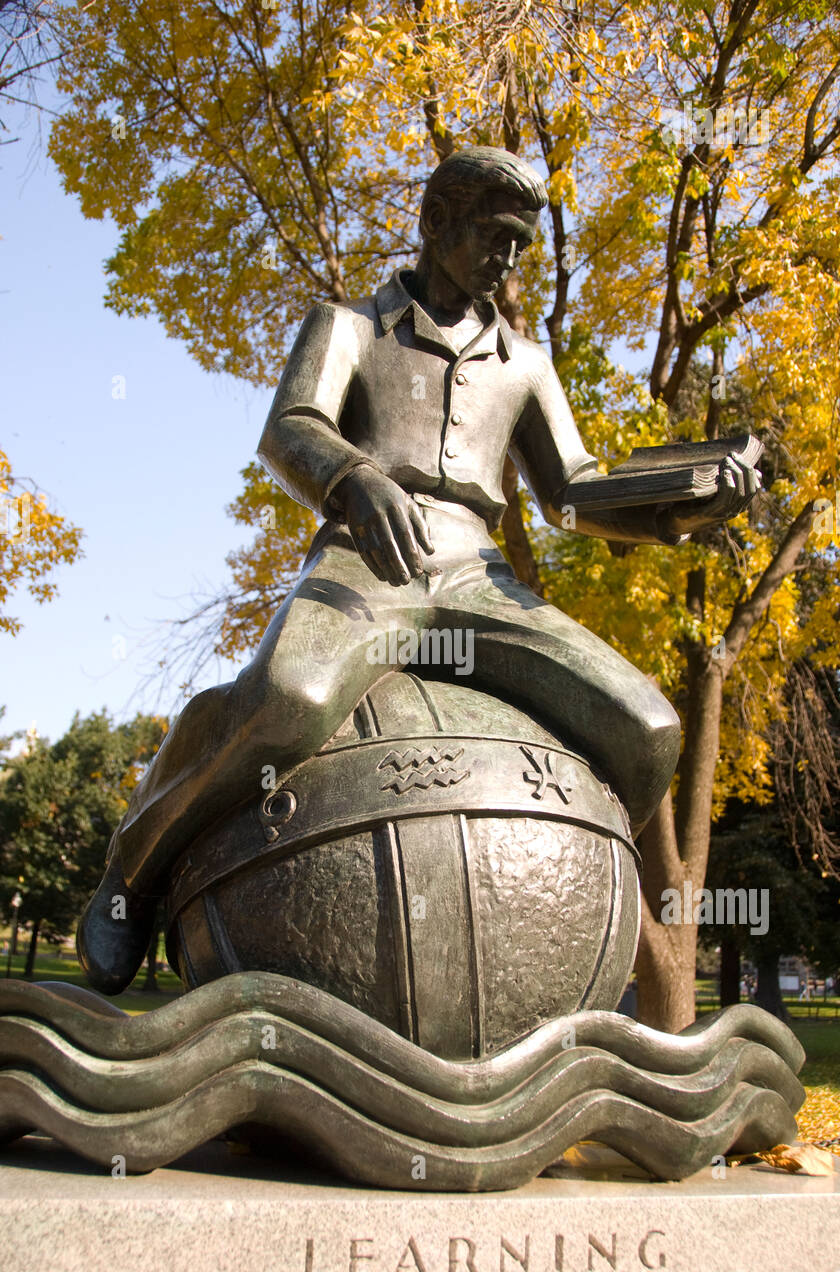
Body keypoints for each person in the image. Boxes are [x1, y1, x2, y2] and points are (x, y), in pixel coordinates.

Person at [78, 146, 761, 993]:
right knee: (284, 704)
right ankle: (132, 875)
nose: (508, 260)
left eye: (521, 245)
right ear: (436, 222)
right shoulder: (351, 327)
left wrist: (682, 506)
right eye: (495, 235)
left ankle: (576, 909)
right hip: (365, 559)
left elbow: (572, 496)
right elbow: (289, 426)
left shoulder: (528, 365)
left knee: (649, 728)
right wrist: (352, 476)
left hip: (477, 571)